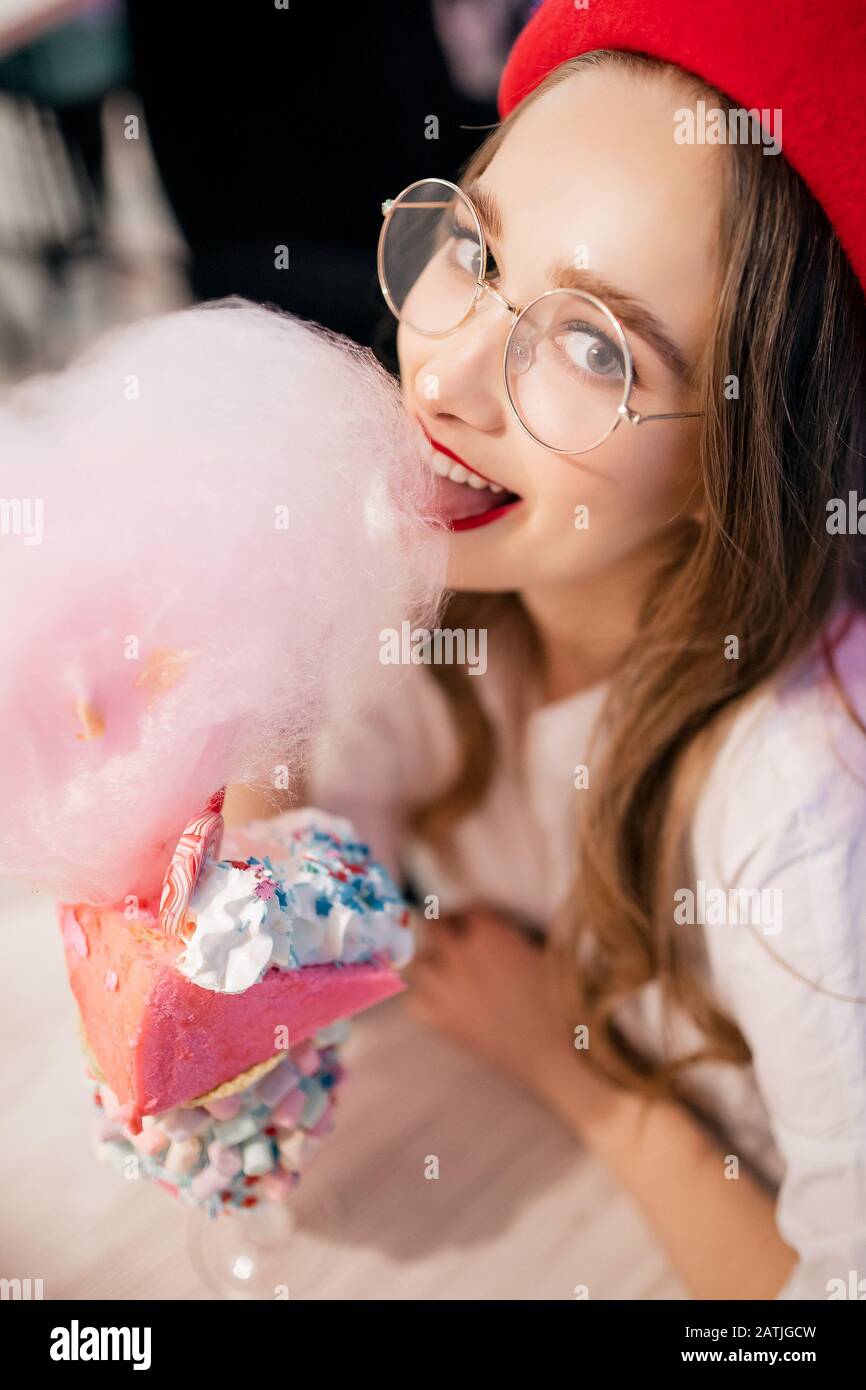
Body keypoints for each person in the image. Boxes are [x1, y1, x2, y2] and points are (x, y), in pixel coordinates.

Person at [226, 0, 866, 1299]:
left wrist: (575, 1079)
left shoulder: (802, 811)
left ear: (751, 458)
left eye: (591, 345)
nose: (445, 377)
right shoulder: (444, 593)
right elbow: (311, 881)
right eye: (472, 248)